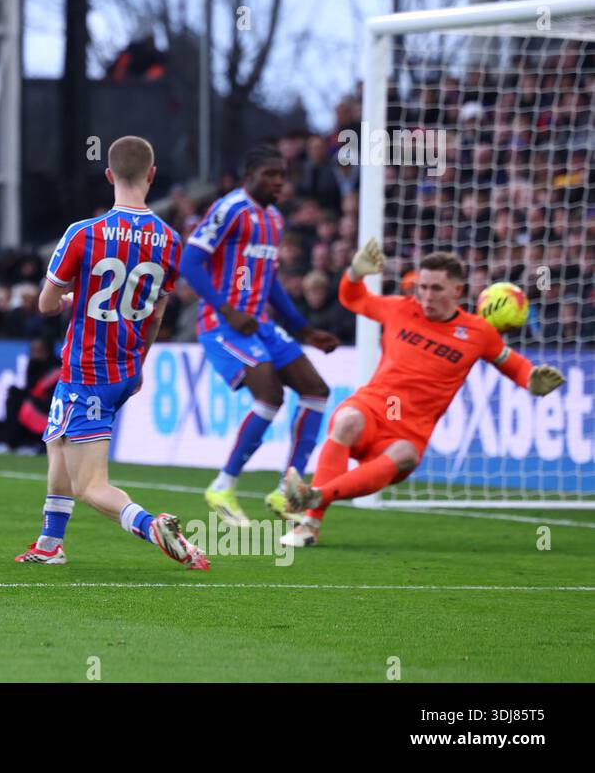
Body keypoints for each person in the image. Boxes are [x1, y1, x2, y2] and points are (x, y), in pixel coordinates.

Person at [281, 242, 566, 546]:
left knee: (405, 455)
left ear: (457, 291)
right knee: (347, 420)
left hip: (409, 430)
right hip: (374, 408)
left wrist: (532, 382)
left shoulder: (478, 333)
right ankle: (310, 524)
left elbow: (515, 366)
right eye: (423, 287)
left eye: (437, 289)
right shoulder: (400, 309)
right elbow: (353, 298)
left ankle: (315, 496)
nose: (427, 296)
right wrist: (354, 272)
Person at [14, 136, 208, 570]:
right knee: (58, 441)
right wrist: (139, 364)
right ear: (152, 175)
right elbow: (157, 315)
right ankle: (49, 543)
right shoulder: (171, 240)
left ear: (108, 176)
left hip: (87, 370)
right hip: (124, 369)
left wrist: (65, 301)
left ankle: (151, 526)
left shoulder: (84, 233)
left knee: (90, 486)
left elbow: (46, 304)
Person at [178, 146, 339, 527]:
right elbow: (190, 261)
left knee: (316, 390)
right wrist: (225, 307)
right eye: (270, 175)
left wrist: (303, 328)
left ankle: (287, 490)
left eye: (282, 175)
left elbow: (269, 283)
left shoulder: (274, 219)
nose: (279, 182)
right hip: (222, 325)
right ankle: (222, 486)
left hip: (258, 324)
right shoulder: (229, 209)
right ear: (249, 175)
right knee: (270, 394)